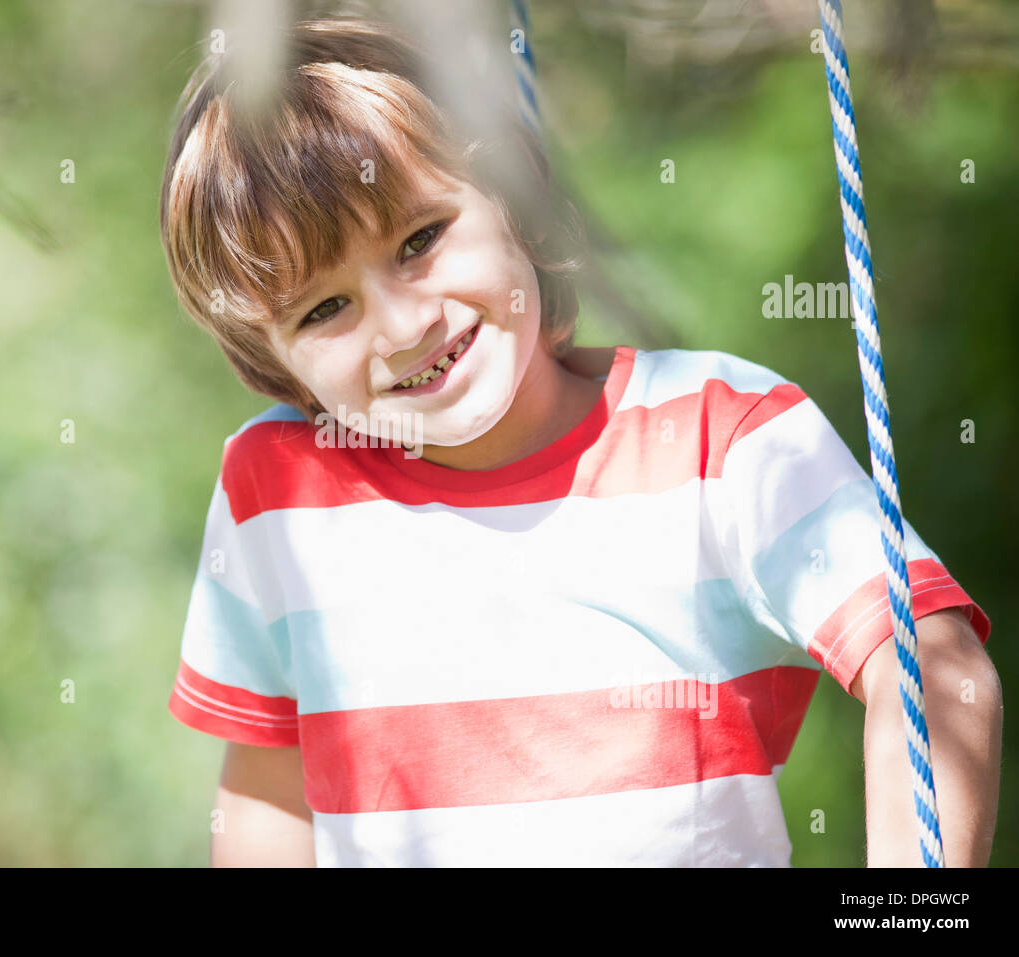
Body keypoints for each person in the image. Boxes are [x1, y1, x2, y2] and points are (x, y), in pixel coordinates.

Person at [158, 15, 998, 867]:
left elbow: (931, 664)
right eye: (324, 309)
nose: (405, 324)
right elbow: (265, 787)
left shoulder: (717, 433)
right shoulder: (280, 489)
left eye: (420, 240)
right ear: (277, 367)